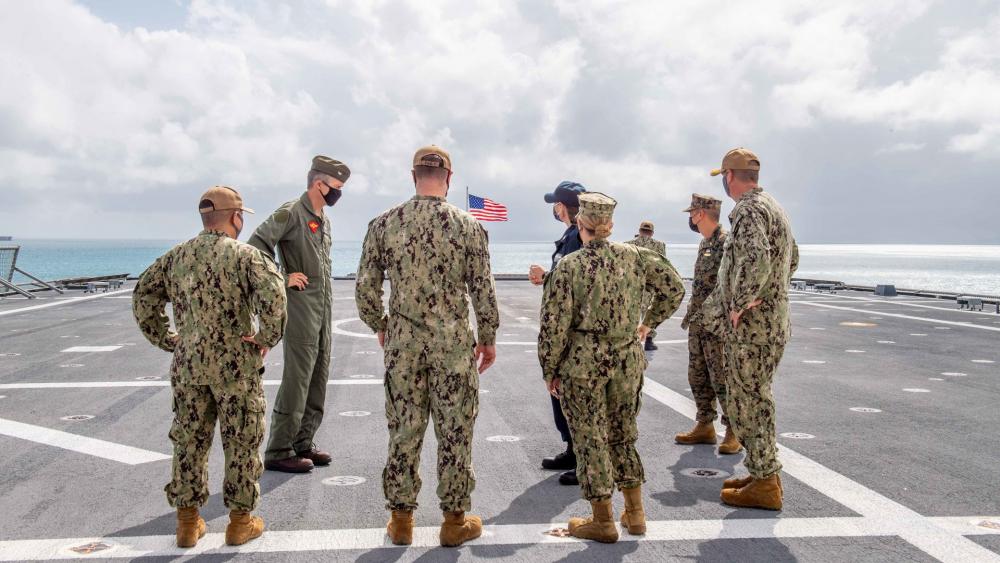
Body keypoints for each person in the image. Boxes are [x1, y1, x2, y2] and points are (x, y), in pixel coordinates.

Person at [355, 145, 499, 548]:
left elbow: (366, 286)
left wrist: (380, 324)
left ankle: (401, 520)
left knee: (404, 427)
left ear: (413, 175)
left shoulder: (384, 224)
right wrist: (487, 338)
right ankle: (454, 520)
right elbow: (483, 290)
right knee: (455, 430)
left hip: (403, 344)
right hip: (453, 345)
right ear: (449, 179)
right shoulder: (468, 226)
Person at [132, 186, 286, 548]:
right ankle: (239, 523)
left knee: (189, 443)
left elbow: (143, 295)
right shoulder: (247, 257)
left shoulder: (177, 257)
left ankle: (187, 523)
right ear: (236, 217)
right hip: (236, 368)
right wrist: (265, 338)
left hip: (189, 367)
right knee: (242, 442)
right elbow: (275, 301)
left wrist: (167, 338)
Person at [538, 192, 685, 543]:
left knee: (589, 440)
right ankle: (635, 515)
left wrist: (550, 369)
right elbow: (675, 289)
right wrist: (648, 323)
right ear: (610, 226)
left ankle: (602, 519)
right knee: (622, 434)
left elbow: (553, 327)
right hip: (626, 358)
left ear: (580, 223)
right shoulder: (636, 256)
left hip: (583, 363)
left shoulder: (569, 267)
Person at [702, 148, 798, 510]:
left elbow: (756, 257)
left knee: (749, 400)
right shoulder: (773, 206)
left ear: (729, 175)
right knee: (753, 396)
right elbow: (793, 258)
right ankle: (762, 474)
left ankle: (766, 483)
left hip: (753, 328)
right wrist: (769, 295)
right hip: (771, 321)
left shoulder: (748, 209)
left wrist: (742, 302)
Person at [248, 155, 350, 473]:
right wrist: (282, 275)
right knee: (298, 378)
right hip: (301, 307)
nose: (339, 193)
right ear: (318, 184)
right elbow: (256, 247)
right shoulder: (291, 212)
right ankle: (279, 448)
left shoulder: (322, 218)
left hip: (323, 308)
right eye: (336, 186)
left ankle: (303, 442)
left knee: (318, 375)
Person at [528, 180, 586, 486]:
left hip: (572, 333)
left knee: (571, 395)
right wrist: (548, 277)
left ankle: (583, 456)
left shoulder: (579, 237)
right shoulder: (570, 237)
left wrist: (546, 277)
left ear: (564, 207)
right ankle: (572, 449)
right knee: (559, 393)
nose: (555, 208)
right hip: (560, 331)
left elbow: (576, 285)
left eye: (557, 204)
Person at [676, 194, 741, 455]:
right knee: (698, 375)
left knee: (722, 377)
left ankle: (733, 431)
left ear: (701, 214)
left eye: (692, 213)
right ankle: (705, 424)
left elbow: (733, 282)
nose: (691, 218)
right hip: (699, 322)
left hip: (717, 325)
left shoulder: (727, 243)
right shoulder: (705, 244)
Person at [626, 220, 668, 351]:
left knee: (629, 312)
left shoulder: (628, 245)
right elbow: (663, 266)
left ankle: (627, 341)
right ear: (652, 233)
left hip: (632, 285)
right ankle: (649, 340)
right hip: (650, 285)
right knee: (649, 313)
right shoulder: (659, 245)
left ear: (639, 231)